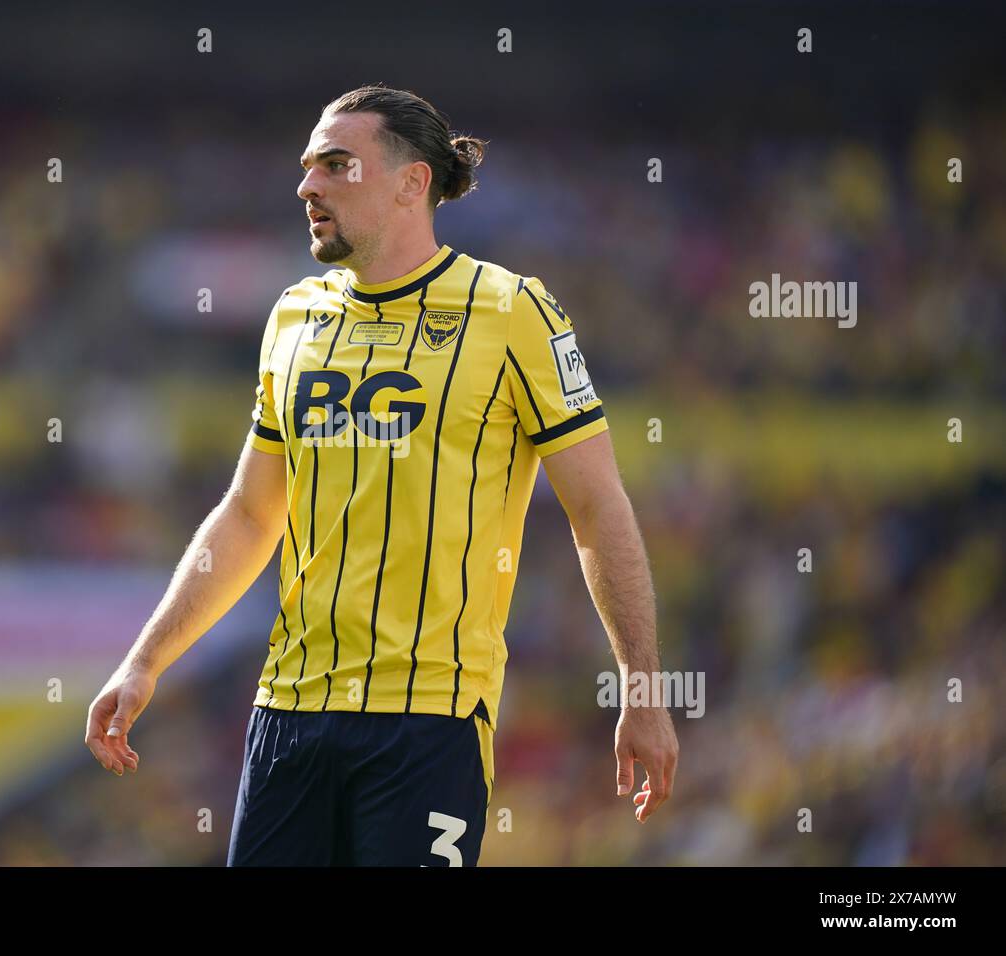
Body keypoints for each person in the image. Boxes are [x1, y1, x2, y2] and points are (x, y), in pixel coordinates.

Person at [85, 84, 678, 866]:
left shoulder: (512, 313)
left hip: (429, 723)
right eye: (306, 168)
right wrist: (145, 660)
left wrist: (640, 686)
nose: (307, 186)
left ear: (411, 184)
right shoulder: (294, 317)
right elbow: (251, 514)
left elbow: (597, 507)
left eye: (336, 165)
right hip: (289, 717)